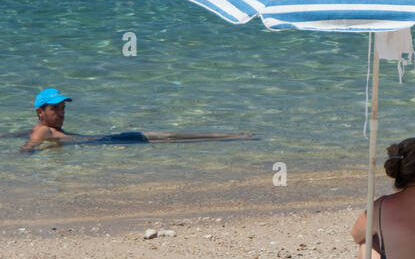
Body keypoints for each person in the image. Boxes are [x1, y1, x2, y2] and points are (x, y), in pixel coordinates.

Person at [20, 90, 252, 151]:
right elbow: (27, 149)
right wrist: (37, 152)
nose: (61, 113)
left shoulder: (42, 129)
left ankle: (231, 136)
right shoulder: (43, 131)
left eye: (62, 108)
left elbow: (24, 138)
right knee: (167, 138)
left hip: (105, 140)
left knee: (166, 137)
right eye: (54, 109)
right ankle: (232, 136)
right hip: (103, 142)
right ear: (40, 112)